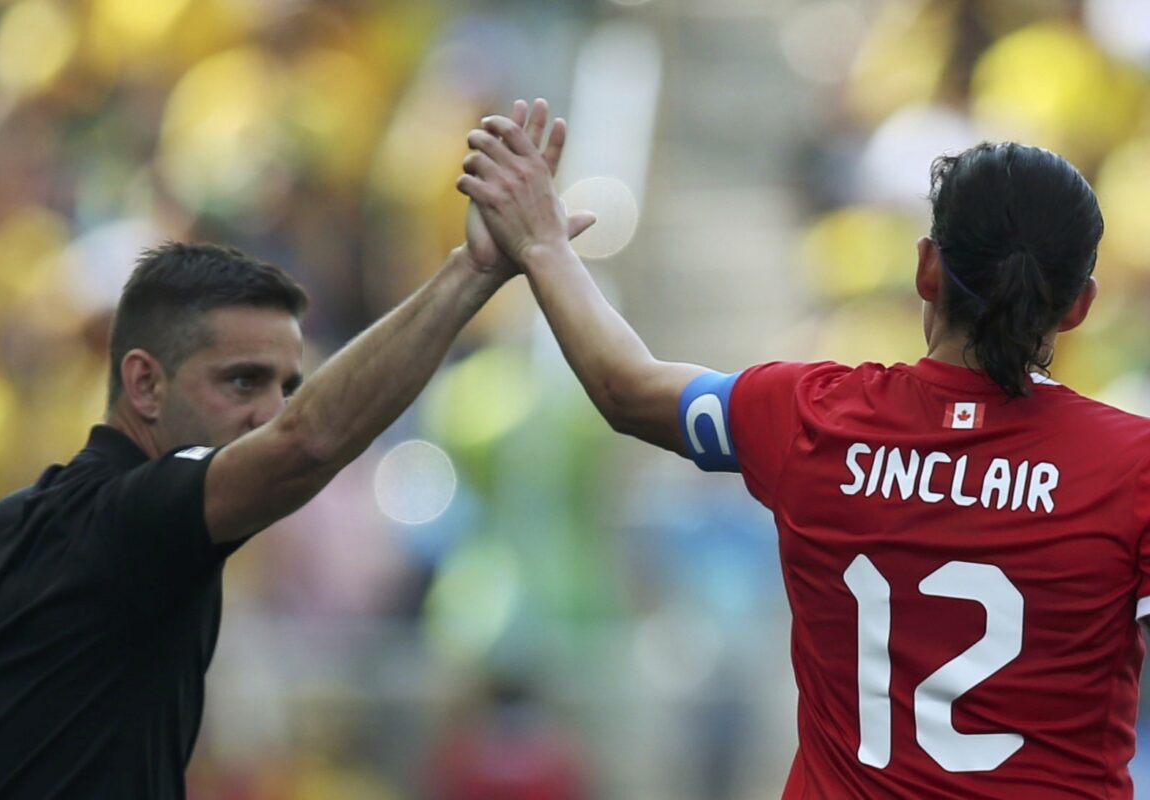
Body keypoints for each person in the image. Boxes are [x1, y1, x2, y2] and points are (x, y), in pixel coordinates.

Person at [459, 99, 1147, 798]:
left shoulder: (815, 418)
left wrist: (543, 246)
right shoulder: (1131, 468)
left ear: (926, 269)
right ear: (1079, 306)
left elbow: (624, 387)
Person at [0, 101, 593, 799]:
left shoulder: (5, 530)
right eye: (241, 382)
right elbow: (305, 443)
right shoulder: (132, 516)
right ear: (145, 383)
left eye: (285, 387)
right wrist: (474, 272)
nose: (269, 412)